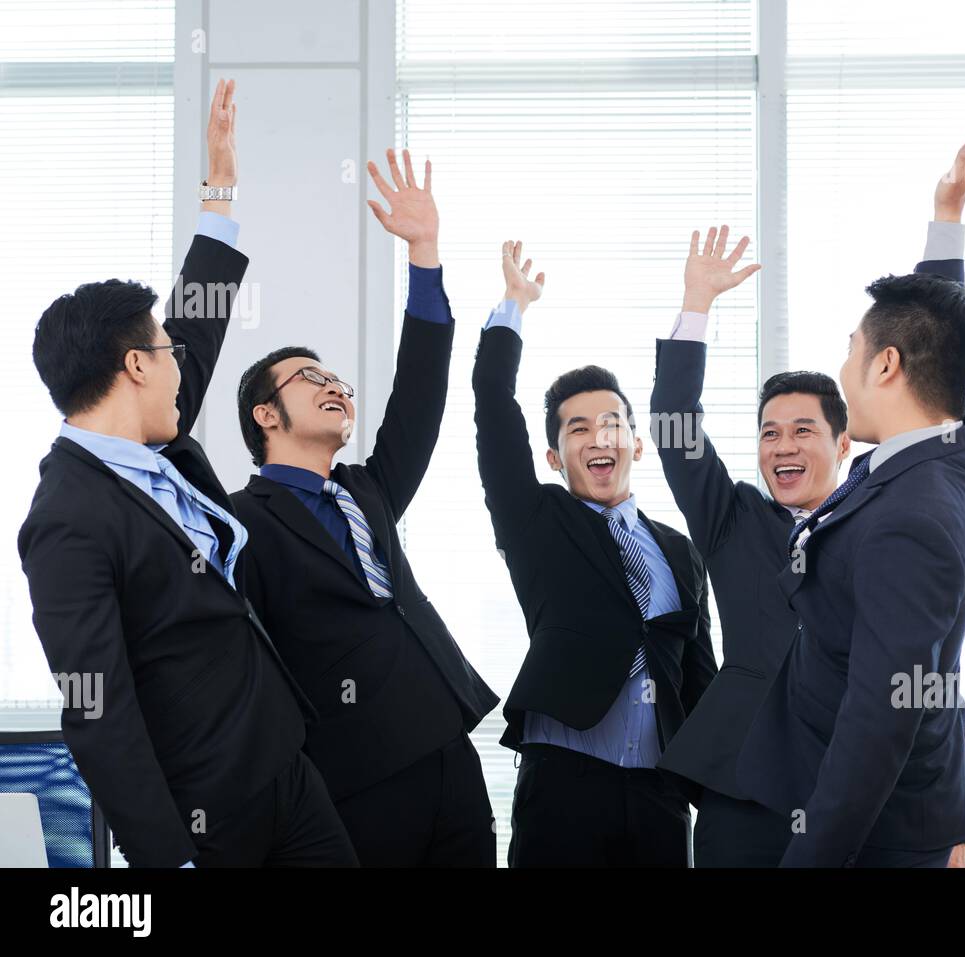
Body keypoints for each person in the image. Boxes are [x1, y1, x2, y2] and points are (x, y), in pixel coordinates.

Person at [18, 80, 357, 867]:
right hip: (212, 817)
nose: (186, 367)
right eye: (167, 355)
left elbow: (195, 324)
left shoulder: (154, 444)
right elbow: (96, 711)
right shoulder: (65, 518)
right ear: (136, 366)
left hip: (286, 770)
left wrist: (220, 188)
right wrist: (169, 859)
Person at [653, 110, 965, 867]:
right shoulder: (733, 518)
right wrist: (697, 307)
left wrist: (956, 818)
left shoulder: (894, 510)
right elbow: (676, 429)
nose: (782, 445)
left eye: (802, 430)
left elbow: (939, 381)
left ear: (845, 443)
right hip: (746, 782)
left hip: (864, 795)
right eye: (768, 432)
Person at [736, 172, 965, 867]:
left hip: (882, 839)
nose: (843, 368)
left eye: (853, 350)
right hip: (926, 809)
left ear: (885, 364)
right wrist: (945, 222)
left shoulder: (909, 524)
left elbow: (875, 725)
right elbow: (942, 361)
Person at [230, 149, 499, 866]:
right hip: (351, 777)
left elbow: (419, 393)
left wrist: (424, 254)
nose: (336, 386)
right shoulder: (236, 521)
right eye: (310, 376)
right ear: (265, 412)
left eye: (342, 380)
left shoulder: (368, 490)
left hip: (448, 743)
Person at [472, 241, 717, 866]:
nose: (597, 436)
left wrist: (720, 788)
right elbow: (494, 411)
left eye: (611, 423)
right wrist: (512, 309)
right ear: (555, 459)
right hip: (565, 790)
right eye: (577, 428)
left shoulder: (680, 550)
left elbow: (699, 676)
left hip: (660, 793)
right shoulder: (536, 522)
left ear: (635, 441)